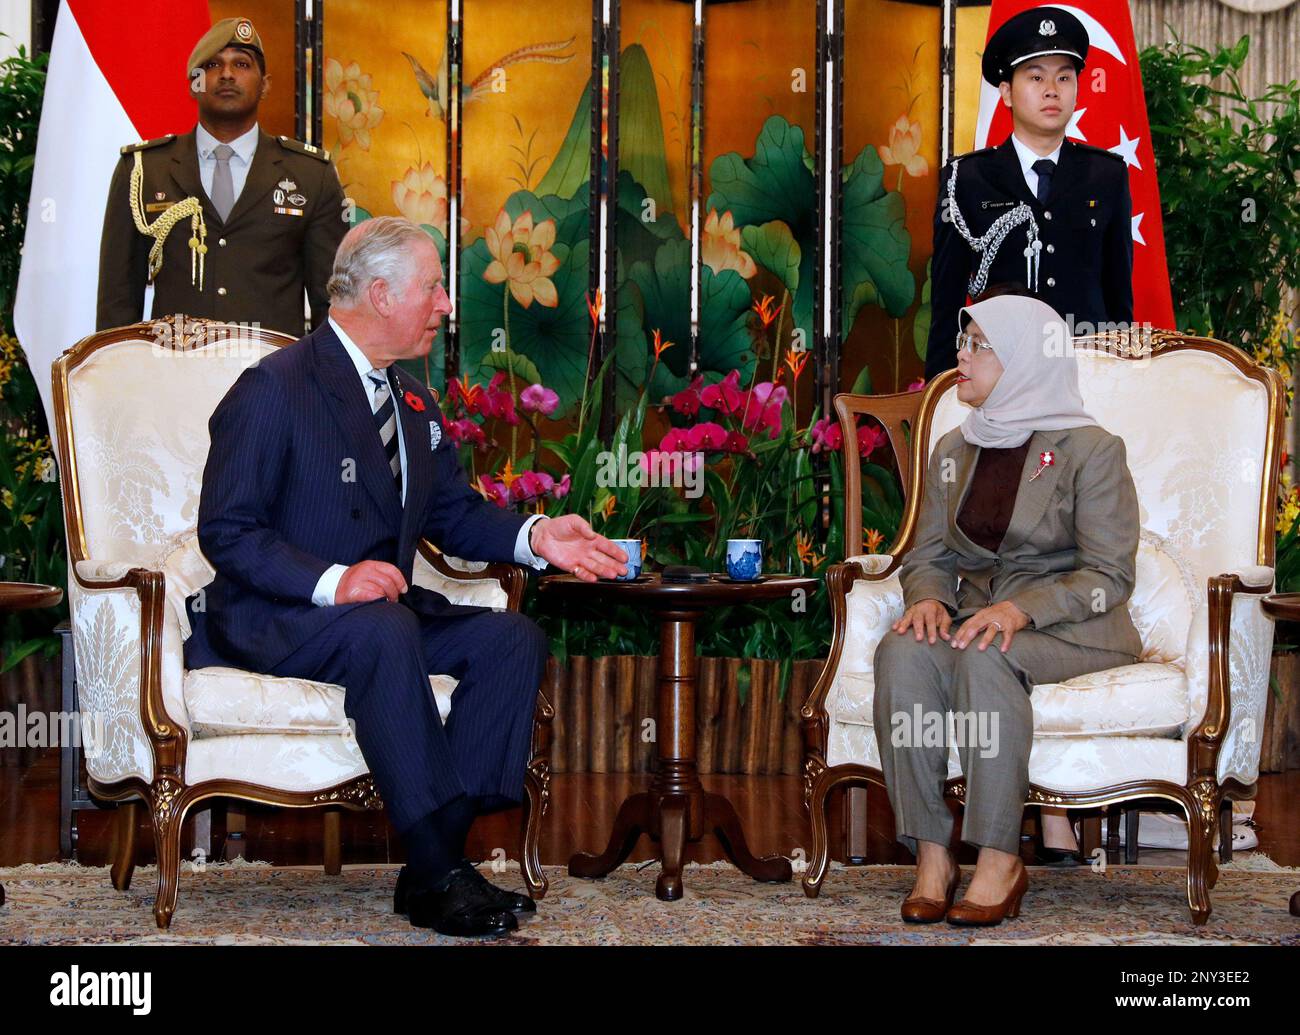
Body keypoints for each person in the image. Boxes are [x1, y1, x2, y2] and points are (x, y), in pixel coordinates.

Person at [183, 217, 630, 937]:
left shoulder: (412, 401)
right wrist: (334, 579)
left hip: (376, 617)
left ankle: (433, 861)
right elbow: (227, 531)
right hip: (280, 613)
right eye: (434, 287)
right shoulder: (274, 386)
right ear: (383, 293)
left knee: (510, 639)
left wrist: (536, 534)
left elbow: (452, 514)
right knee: (385, 627)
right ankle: (439, 872)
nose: (447, 303)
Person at [874, 293, 1142, 925]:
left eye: (978, 345)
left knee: (987, 657)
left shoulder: (1091, 450)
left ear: (1024, 360)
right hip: (976, 620)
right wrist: (930, 600)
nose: (959, 355)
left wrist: (1021, 610)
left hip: (1074, 627)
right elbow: (927, 554)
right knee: (904, 652)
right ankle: (933, 857)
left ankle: (1000, 858)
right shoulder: (953, 449)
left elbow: (1110, 574)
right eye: (962, 341)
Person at [96, 16, 346, 335]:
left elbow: (334, 304)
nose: (227, 74)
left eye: (241, 64)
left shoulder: (311, 175)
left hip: (275, 378)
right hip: (173, 375)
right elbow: (117, 301)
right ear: (194, 84)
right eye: (213, 65)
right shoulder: (145, 170)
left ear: (265, 84)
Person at [925, 6, 1133, 380]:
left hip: (1087, 378)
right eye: (1036, 77)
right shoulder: (966, 179)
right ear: (1006, 92)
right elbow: (946, 305)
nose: (1052, 90)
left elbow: (1119, 300)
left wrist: (1123, 380)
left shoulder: (1106, 175)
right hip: (999, 379)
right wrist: (939, 400)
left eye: (1064, 78)